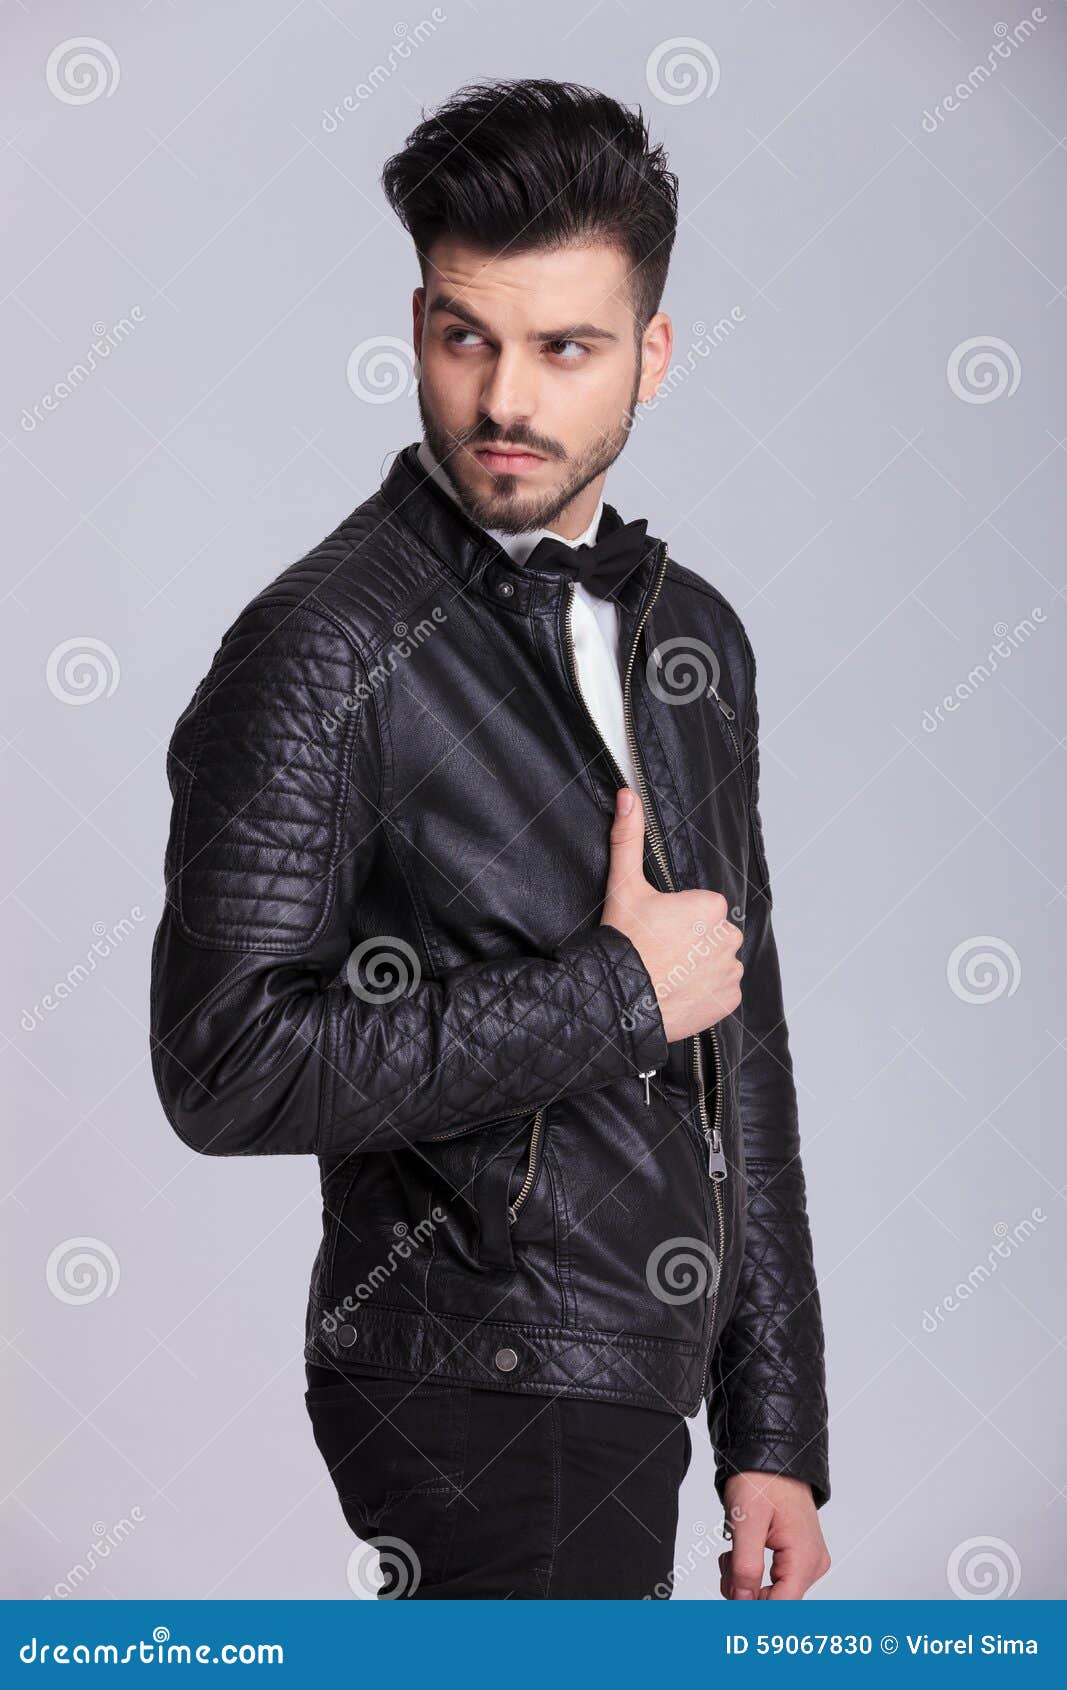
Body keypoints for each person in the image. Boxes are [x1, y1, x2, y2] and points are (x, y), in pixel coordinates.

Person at [150, 76, 830, 1600]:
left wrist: (769, 1424)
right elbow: (221, 1061)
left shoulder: (690, 638)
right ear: (416, 327)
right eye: (467, 337)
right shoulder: (323, 646)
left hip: (631, 1384)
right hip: (470, 1373)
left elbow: (739, 1039)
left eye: (564, 347)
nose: (503, 399)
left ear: (652, 353)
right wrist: (606, 991)